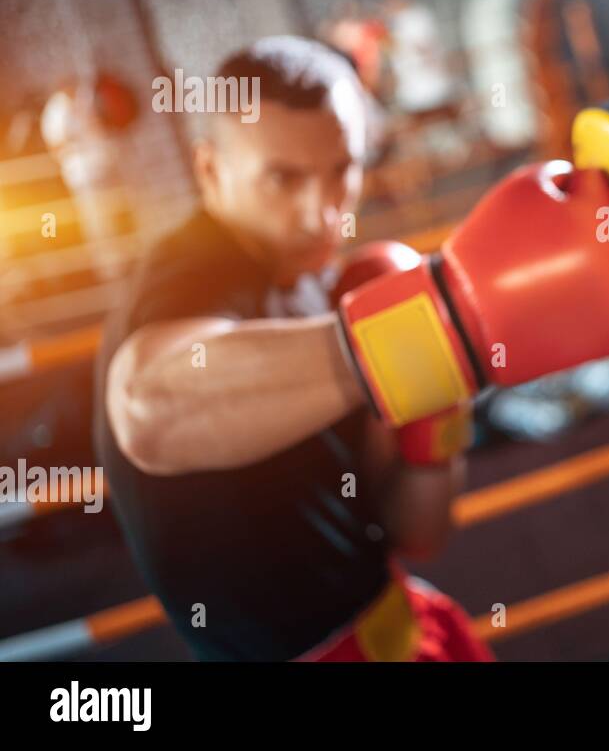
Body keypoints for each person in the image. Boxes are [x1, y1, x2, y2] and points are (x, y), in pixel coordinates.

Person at [93, 36, 494, 661]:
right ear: (210, 171)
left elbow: (418, 529)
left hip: (404, 626)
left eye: (342, 170)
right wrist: (427, 329)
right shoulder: (188, 277)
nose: (322, 213)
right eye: (283, 179)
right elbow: (149, 408)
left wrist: (436, 424)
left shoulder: (321, 286)